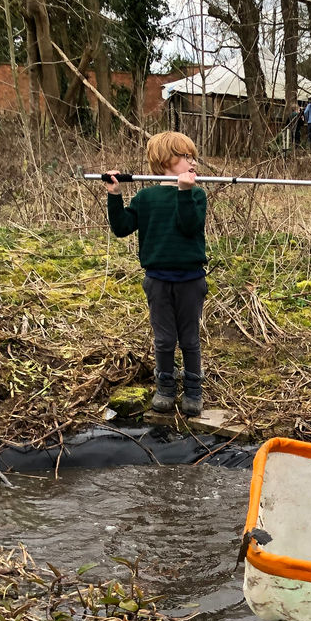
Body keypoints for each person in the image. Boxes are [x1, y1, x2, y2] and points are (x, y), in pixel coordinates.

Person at [102, 132, 208, 418]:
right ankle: (165, 386)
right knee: (163, 339)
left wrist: (185, 193)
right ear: (165, 160)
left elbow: (189, 226)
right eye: (186, 157)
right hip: (158, 280)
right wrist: (115, 196)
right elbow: (122, 227)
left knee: (189, 339)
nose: (193, 162)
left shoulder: (196, 194)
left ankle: (194, 390)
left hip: (190, 280)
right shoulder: (146, 197)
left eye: (193, 157)